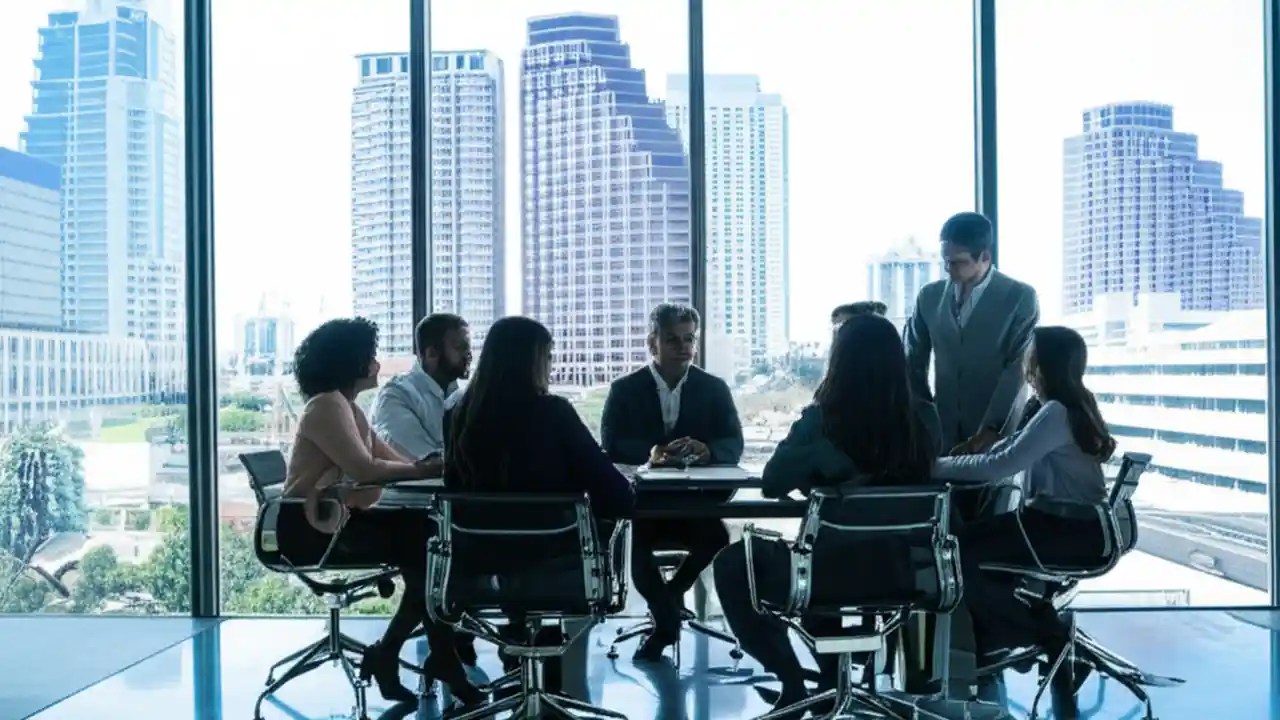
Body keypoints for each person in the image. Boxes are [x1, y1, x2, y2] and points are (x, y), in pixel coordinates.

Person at [712, 313, 939, 715]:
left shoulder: (821, 421)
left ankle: (794, 683)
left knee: (735, 564)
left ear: (839, 362)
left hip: (828, 573)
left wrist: (818, 477)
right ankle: (834, 684)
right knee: (833, 567)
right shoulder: (924, 420)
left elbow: (772, 482)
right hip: (903, 572)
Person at [277, 318, 481, 706]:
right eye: (369, 356)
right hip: (309, 528)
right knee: (426, 545)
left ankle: (413, 655)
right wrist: (426, 468)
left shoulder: (349, 408)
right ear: (350, 361)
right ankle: (428, 656)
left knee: (428, 544)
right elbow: (367, 469)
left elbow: (399, 462)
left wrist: (438, 466)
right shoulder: (326, 405)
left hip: (335, 519)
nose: (376, 364)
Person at [444, 316, 637, 692]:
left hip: (480, 563)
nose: (551, 366)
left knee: (518, 558)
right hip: (553, 561)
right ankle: (544, 679)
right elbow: (617, 497)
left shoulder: (459, 415)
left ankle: (522, 666)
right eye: (548, 357)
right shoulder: (554, 413)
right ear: (533, 361)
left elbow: (456, 491)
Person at [935, 326, 1115, 717]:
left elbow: (1001, 464)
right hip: (1073, 528)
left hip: (1060, 530)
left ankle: (1039, 632)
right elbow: (1007, 453)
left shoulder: (1055, 412)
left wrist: (933, 467)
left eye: (1028, 355)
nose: (1023, 363)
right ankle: (1008, 636)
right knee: (971, 548)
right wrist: (963, 459)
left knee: (955, 550)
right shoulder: (1068, 405)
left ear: (1041, 363)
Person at [600, 303, 744, 661]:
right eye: (672, 339)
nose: (683, 346)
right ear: (653, 344)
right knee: (636, 547)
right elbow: (611, 444)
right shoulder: (624, 389)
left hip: (694, 500)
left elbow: (734, 442)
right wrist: (653, 452)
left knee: (717, 537)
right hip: (643, 503)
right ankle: (666, 620)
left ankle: (668, 601)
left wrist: (708, 450)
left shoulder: (713, 389)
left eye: (689, 339)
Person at [905, 211, 1039, 456]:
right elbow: (913, 359)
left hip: (995, 438)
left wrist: (992, 429)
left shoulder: (1019, 298)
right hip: (941, 433)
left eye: (958, 262)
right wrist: (923, 414)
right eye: (945, 260)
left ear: (985, 257)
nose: (948, 268)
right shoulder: (929, 297)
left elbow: (1017, 369)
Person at [370, 313, 471, 461]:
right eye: (459, 348)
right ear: (431, 353)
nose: (468, 354)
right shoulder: (397, 395)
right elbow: (422, 459)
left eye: (468, 348)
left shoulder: (464, 395)